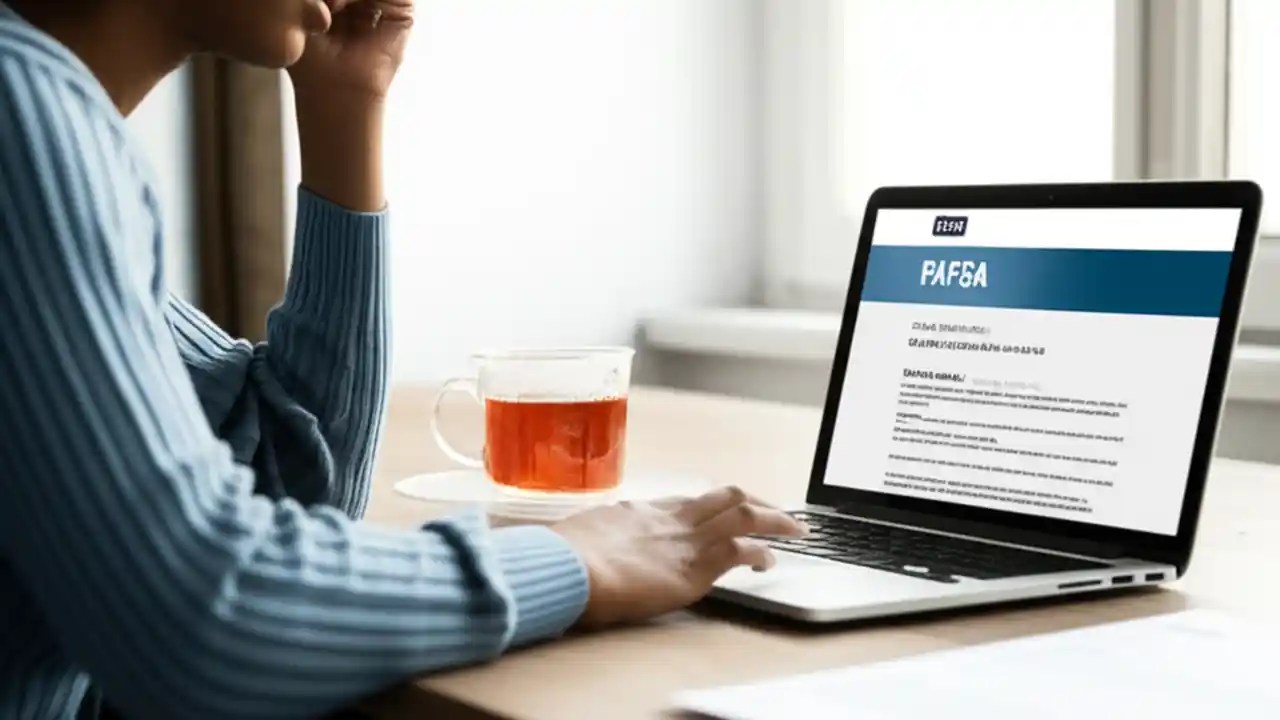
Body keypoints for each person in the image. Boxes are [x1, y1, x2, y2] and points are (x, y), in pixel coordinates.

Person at [0, 1, 807, 718]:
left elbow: (285, 476)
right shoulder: (20, 109)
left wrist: (344, 103)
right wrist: (573, 561)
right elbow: (195, 620)